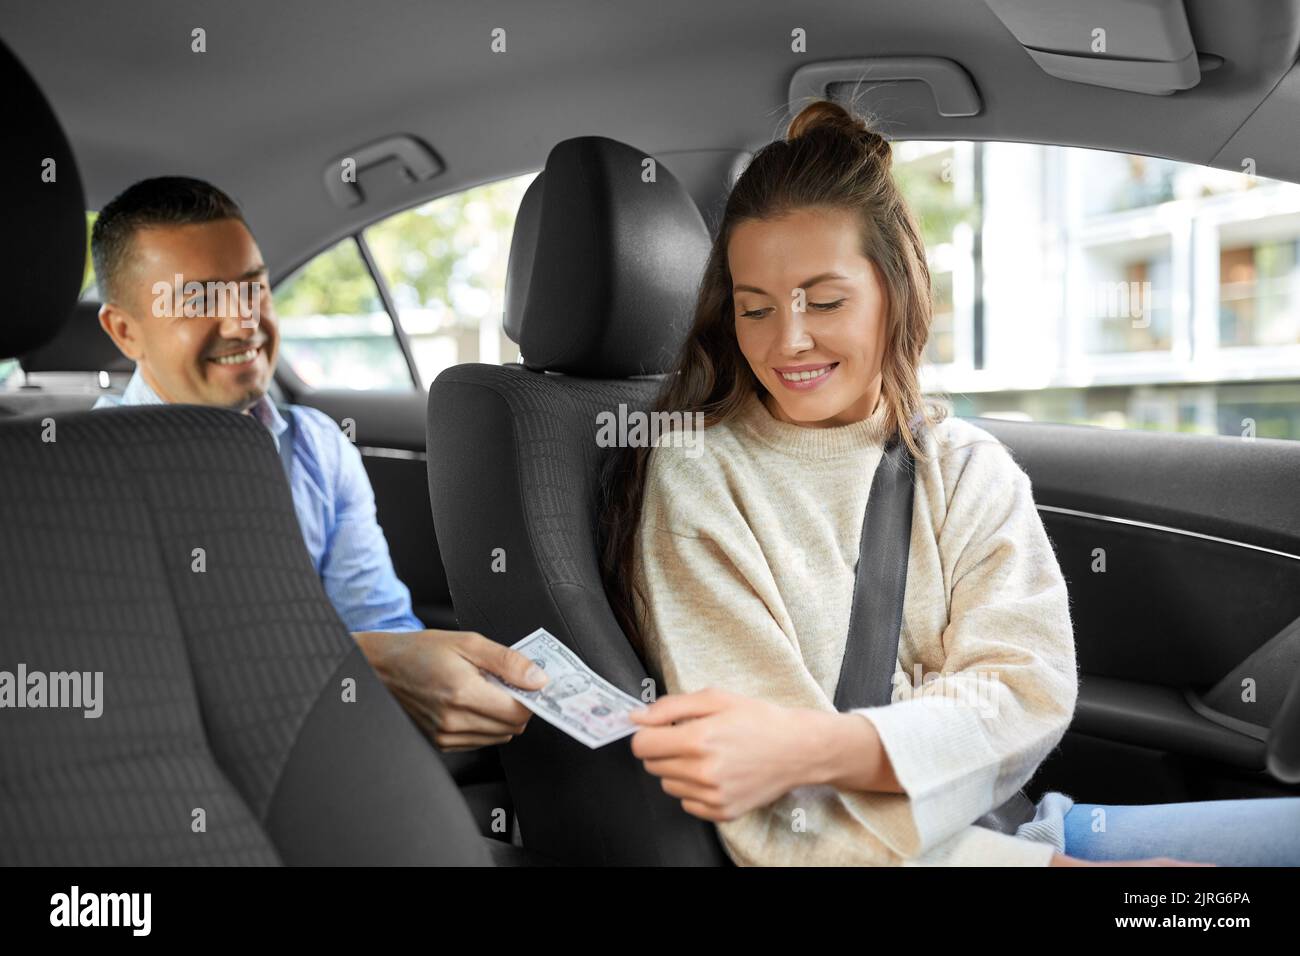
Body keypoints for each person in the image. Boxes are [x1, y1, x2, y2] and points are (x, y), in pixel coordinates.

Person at [600, 100, 1300, 866]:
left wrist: (828, 744)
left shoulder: (965, 465)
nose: (787, 339)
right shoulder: (700, 476)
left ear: (896, 291)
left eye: (825, 301)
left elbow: (1026, 691)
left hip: (1022, 827)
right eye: (754, 308)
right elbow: (781, 818)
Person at [91, 176, 545, 753]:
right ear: (124, 330)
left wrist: (432, 674)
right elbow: (125, 676)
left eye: (252, 289)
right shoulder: (70, 481)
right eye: (199, 300)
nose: (242, 323)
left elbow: (378, 623)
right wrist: (355, 663)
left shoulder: (318, 448)